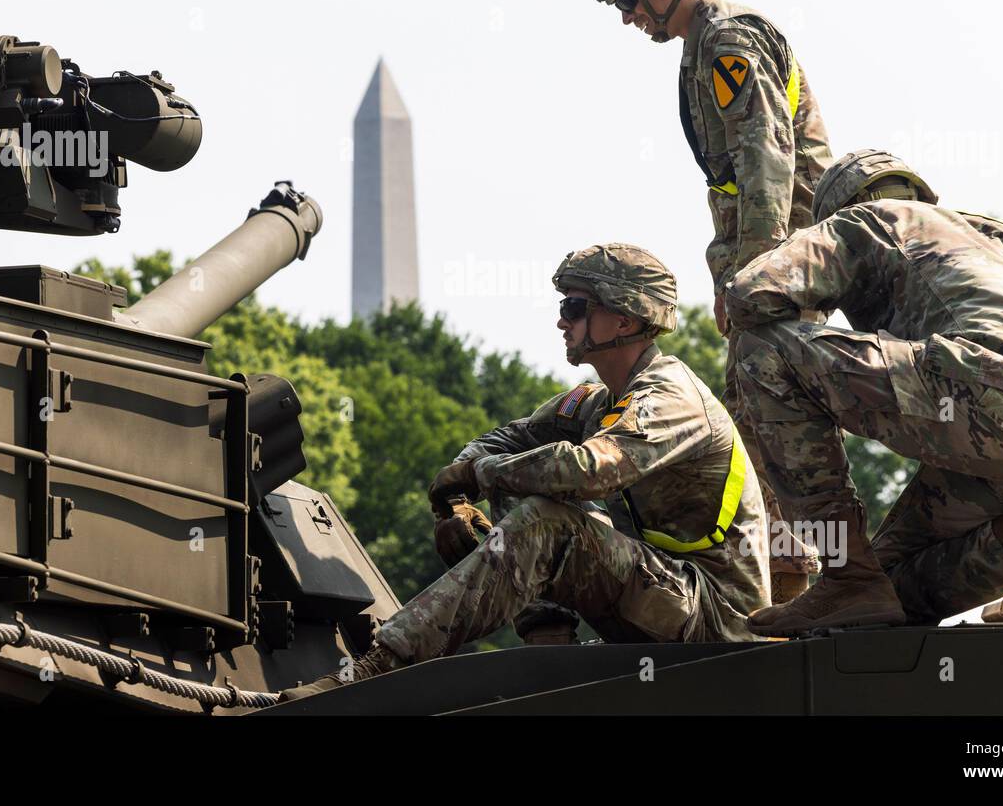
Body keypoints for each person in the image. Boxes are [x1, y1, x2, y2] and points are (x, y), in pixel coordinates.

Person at [281, 244, 770, 701]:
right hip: (665, 599)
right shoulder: (598, 403)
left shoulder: (670, 399)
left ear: (623, 320)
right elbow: (504, 441)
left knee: (544, 507)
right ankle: (549, 642)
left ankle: (376, 668)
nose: (561, 321)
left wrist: (482, 474)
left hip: (715, 619)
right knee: (528, 475)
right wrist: (460, 499)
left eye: (575, 309)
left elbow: (588, 470)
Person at [724, 150, 1003, 635]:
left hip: (989, 397)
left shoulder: (863, 219)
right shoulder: (1000, 236)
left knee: (760, 348)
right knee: (883, 593)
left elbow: (749, 293)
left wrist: (806, 313)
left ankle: (845, 571)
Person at [591, 0, 832, 599]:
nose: (629, 17)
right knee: (760, 410)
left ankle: (814, 576)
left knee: (775, 408)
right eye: (620, 4)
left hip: (784, 259)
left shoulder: (728, 40)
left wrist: (756, 277)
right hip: (770, 259)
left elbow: (767, 165)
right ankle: (795, 573)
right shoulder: (703, 47)